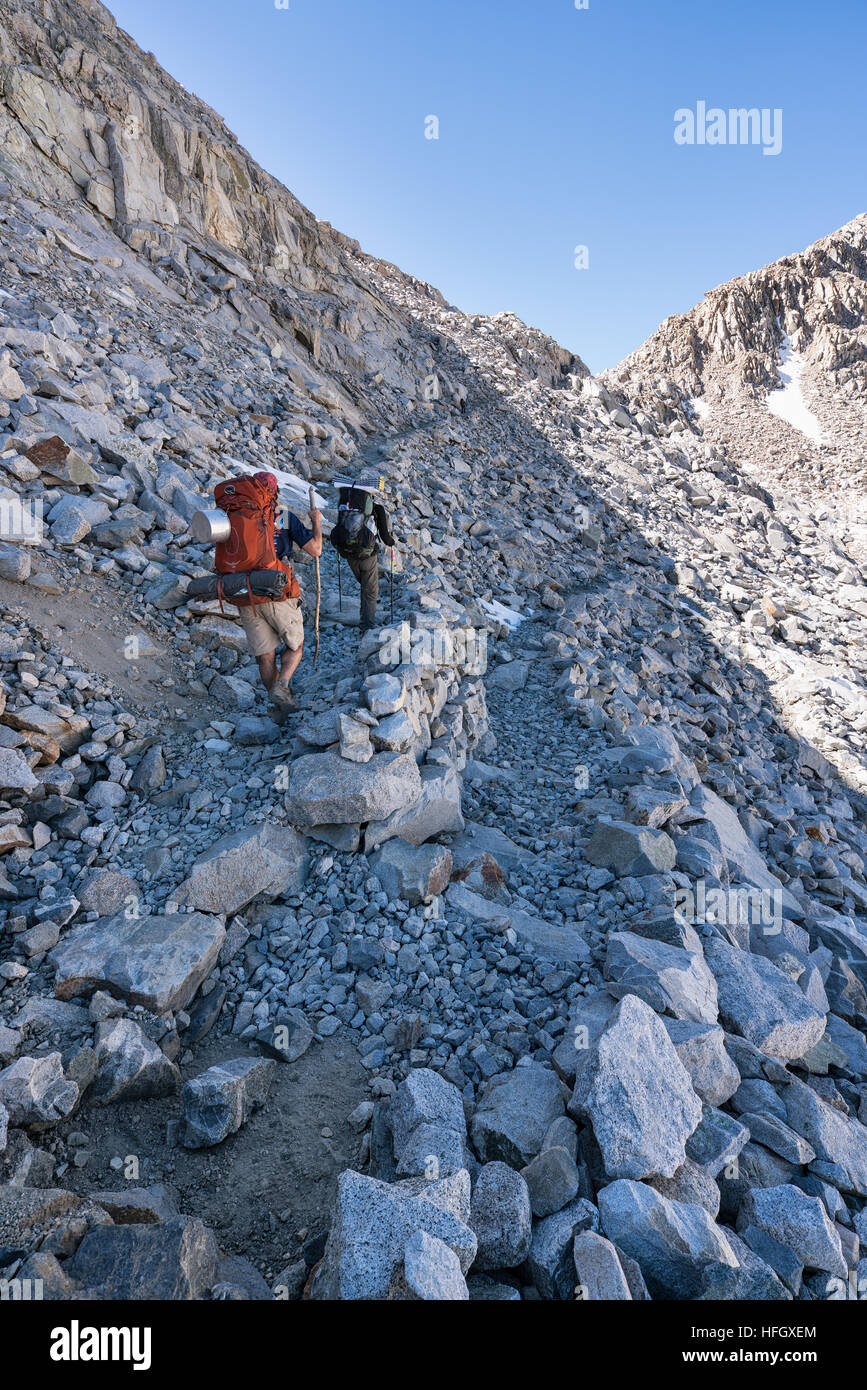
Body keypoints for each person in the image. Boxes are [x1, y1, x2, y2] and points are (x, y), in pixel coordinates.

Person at [236, 472, 321, 713]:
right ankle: (282, 686)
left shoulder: (236, 518)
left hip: (244, 592)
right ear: (274, 494)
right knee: (297, 644)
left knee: (265, 655)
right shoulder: (284, 517)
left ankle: (278, 705)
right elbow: (315, 550)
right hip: (278, 591)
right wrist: (316, 522)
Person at [330, 476, 395, 631]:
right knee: (370, 589)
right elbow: (386, 538)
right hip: (367, 553)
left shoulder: (344, 506)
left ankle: (364, 616)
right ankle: (367, 625)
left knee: (364, 585)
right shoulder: (376, 508)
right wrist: (392, 542)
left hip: (347, 552)